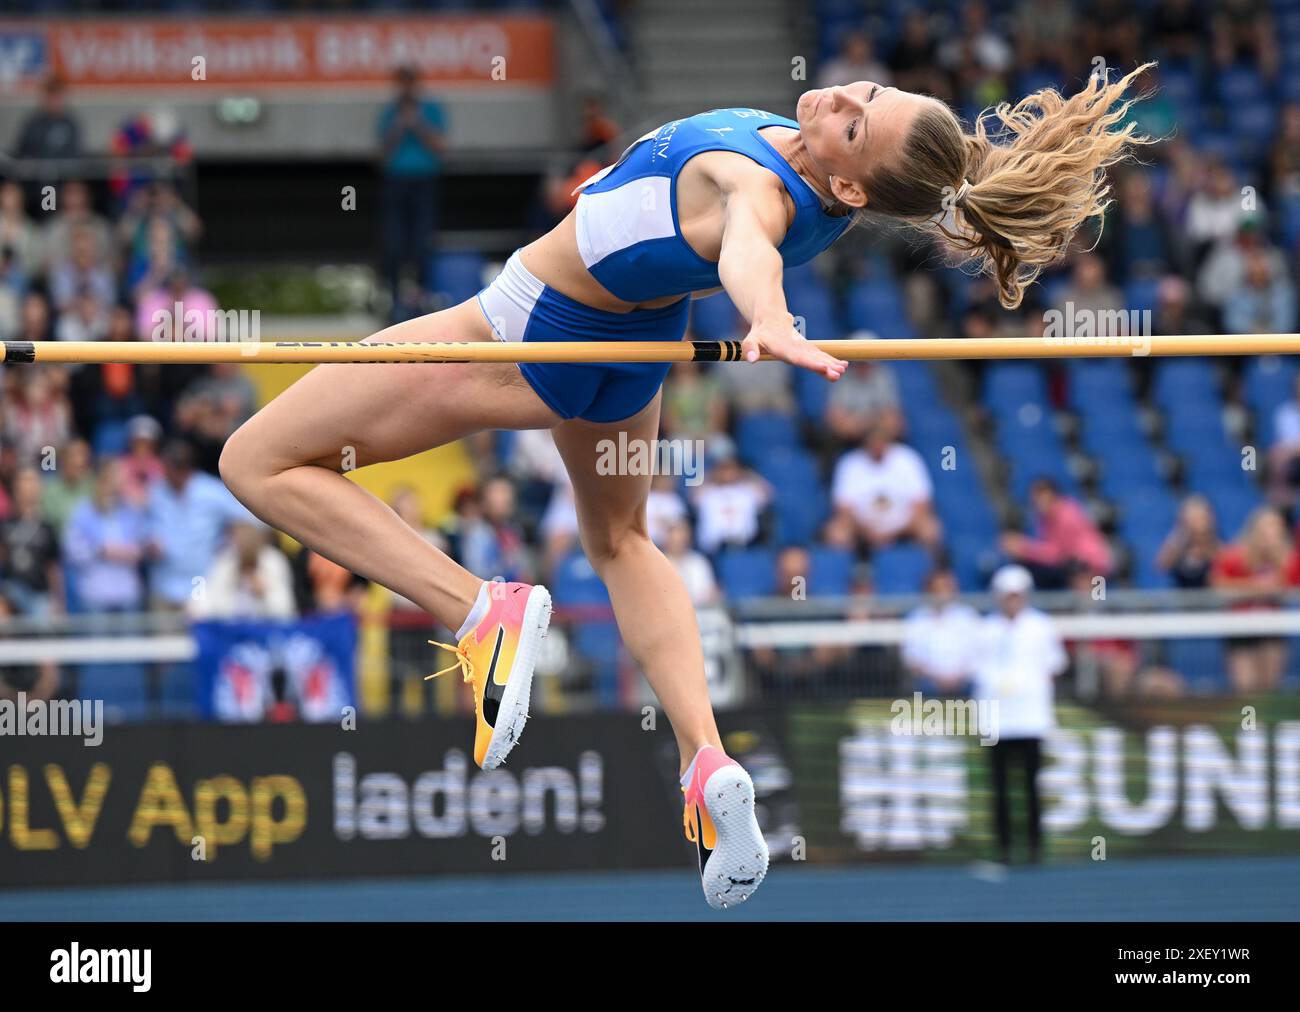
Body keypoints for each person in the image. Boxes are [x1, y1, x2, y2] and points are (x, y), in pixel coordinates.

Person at [220, 69, 1152, 908]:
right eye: (867, 91)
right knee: (621, 542)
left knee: (256, 461)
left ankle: (477, 610)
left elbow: (753, 243)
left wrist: (771, 317)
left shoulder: (764, 189)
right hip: (631, 355)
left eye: (858, 122)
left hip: (523, 332)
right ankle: (705, 760)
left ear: (850, 187)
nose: (841, 99)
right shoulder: (808, 171)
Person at [973, 565, 1068, 865]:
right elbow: (975, 667)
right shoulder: (986, 629)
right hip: (997, 719)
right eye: (1007, 596)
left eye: (1017, 596)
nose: (1012, 602)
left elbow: (1055, 663)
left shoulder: (1041, 626)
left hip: (1030, 717)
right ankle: (1004, 847)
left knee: (1031, 786)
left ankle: (1034, 846)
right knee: (999, 787)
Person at [377, 66, 448, 318]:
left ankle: (422, 297)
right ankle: (395, 299)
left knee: (422, 241)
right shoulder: (390, 111)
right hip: (396, 181)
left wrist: (417, 124)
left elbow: (440, 146)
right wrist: (399, 126)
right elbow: (382, 154)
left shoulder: (431, 110)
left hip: (424, 180)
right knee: (394, 242)